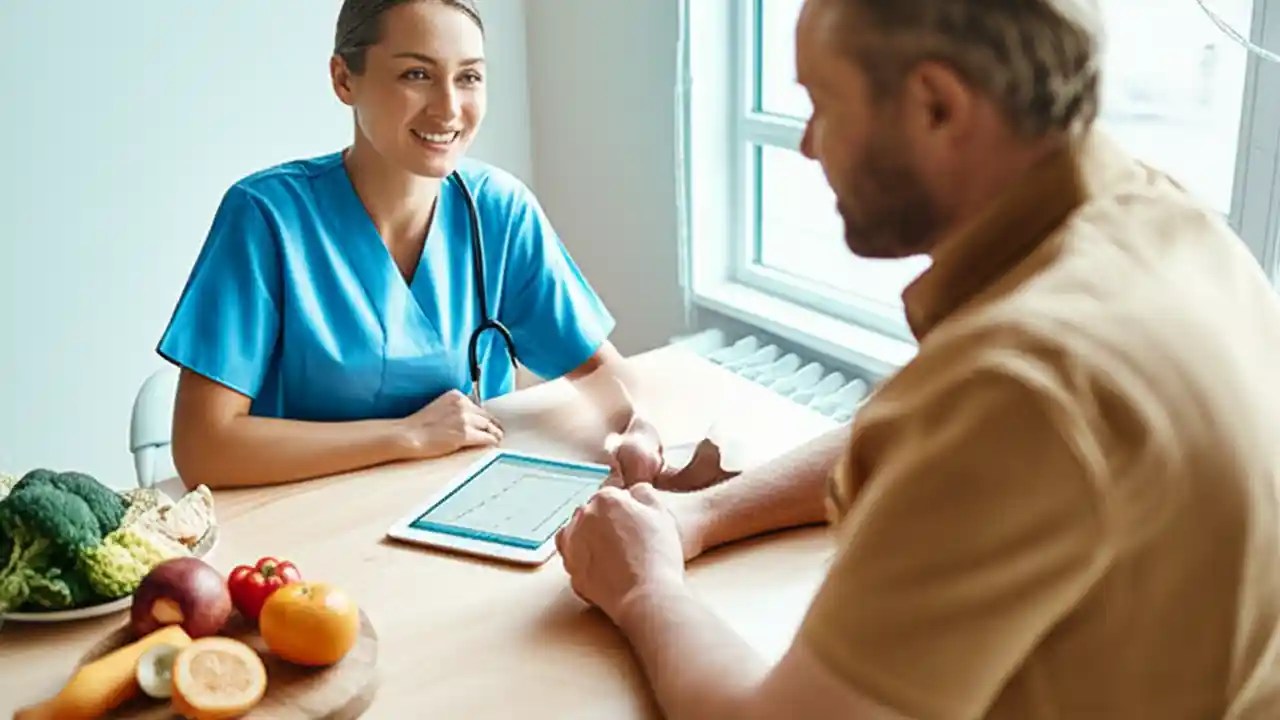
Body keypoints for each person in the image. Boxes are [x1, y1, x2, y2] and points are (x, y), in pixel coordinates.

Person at [557, 0, 1280, 717]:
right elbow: (947, 442)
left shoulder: (1018, 385)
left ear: (937, 105)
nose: (808, 145)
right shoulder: (1165, 222)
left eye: (823, 104)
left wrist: (644, 587)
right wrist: (701, 515)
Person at [157, 0, 664, 490]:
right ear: (343, 79)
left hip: (463, 504)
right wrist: (406, 436)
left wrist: (637, 427)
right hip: (301, 517)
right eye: (416, 74)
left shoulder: (499, 211)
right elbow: (205, 447)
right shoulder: (266, 217)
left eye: (469, 77)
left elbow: (602, 370)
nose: (449, 108)